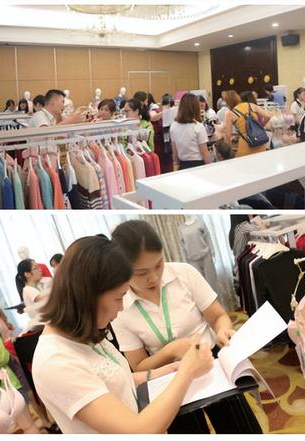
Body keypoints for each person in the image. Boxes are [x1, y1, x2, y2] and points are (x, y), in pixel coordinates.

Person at [32, 235, 214, 434]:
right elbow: (137, 432)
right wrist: (187, 372)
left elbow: (115, 381)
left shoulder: (82, 334)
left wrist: (168, 370)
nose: (121, 308)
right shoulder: (56, 362)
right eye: (119, 298)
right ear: (89, 295)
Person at [111, 220, 261, 434]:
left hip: (209, 362)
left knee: (240, 428)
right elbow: (139, 366)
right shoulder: (120, 305)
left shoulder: (184, 274)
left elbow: (218, 316)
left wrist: (222, 330)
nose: (154, 277)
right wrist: (172, 350)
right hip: (167, 379)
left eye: (159, 264)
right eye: (142, 273)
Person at [223, 89, 271, 157]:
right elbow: (268, 116)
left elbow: (228, 135)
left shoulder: (230, 114)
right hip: (260, 141)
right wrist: (260, 126)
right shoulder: (250, 105)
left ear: (227, 102)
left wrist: (225, 150)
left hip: (246, 143)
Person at [170, 93, 210, 170]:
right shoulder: (198, 126)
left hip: (183, 165)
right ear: (195, 107)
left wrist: (176, 166)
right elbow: (204, 152)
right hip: (198, 165)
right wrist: (210, 166)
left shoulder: (173, 126)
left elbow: (174, 152)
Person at [15, 258, 53, 329]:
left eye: (39, 266)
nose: (40, 269)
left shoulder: (48, 280)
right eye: (35, 268)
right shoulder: (27, 289)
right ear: (27, 274)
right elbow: (40, 298)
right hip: (44, 324)